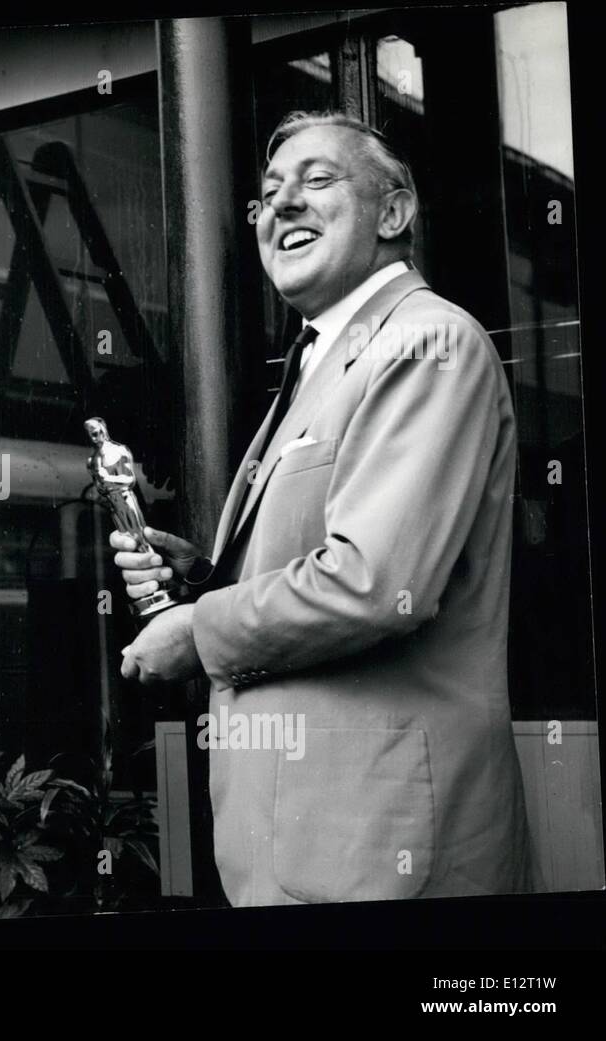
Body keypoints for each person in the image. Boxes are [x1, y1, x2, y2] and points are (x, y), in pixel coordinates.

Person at [111, 110, 537, 905]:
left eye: (317, 180)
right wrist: (204, 580)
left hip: (378, 853)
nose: (282, 205)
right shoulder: (321, 357)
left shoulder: (426, 342)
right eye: (268, 193)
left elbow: (374, 581)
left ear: (394, 213)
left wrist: (198, 631)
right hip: (302, 851)